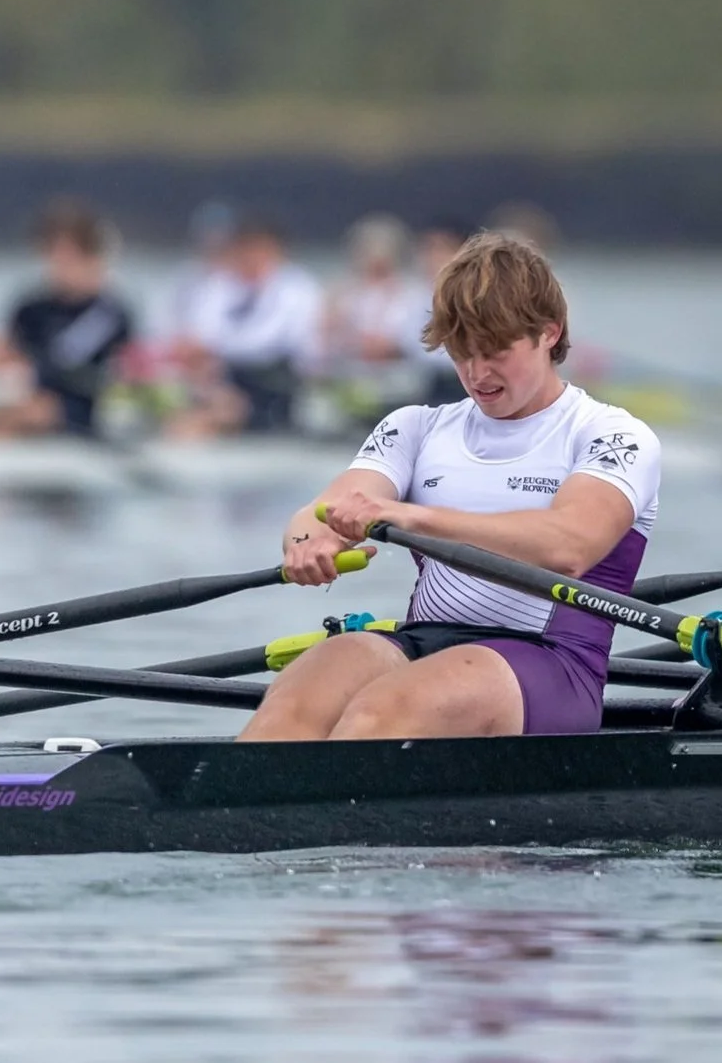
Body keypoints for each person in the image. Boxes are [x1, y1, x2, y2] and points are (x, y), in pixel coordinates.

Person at [238, 232, 661, 741]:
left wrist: (411, 516)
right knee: (299, 695)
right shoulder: (416, 427)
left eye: (495, 352)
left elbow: (570, 544)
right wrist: (310, 542)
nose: (477, 373)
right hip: (424, 642)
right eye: (461, 354)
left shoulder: (611, 434)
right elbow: (326, 509)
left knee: (381, 712)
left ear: (549, 333)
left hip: (550, 665)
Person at [0, 199, 137, 438]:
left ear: (91, 258)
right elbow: (12, 353)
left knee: (31, 413)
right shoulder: (29, 308)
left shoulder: (109, 314)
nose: (57, 265)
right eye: (51, 254)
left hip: (83, 407)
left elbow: (66, 362)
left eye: (68, 256)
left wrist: (23, 361)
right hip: (28, 400)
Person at [165, 215, 324, 437]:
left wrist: (213, 349)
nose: (251, 258)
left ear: (276, 252)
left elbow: (270, 341)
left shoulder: (297, 289)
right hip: (223, 377)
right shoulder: (219, 285)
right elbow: (200, 333)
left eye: (259, 250)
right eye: (245, 250)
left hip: (273, 381)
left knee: (216, 406)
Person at [326, 213, 430, 369]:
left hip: (400, 368)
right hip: (349, 366)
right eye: (368, 251)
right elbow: (326, 335)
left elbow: (420, 337)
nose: (375, 259)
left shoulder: (414, 293)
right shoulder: (341, 293)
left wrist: (389, 344)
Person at [414, 216, 477, 406]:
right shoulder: (414, 299)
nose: (433, 258)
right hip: (429, 388)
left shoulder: (483, 301)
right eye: (429, 249)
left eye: (441, 249)